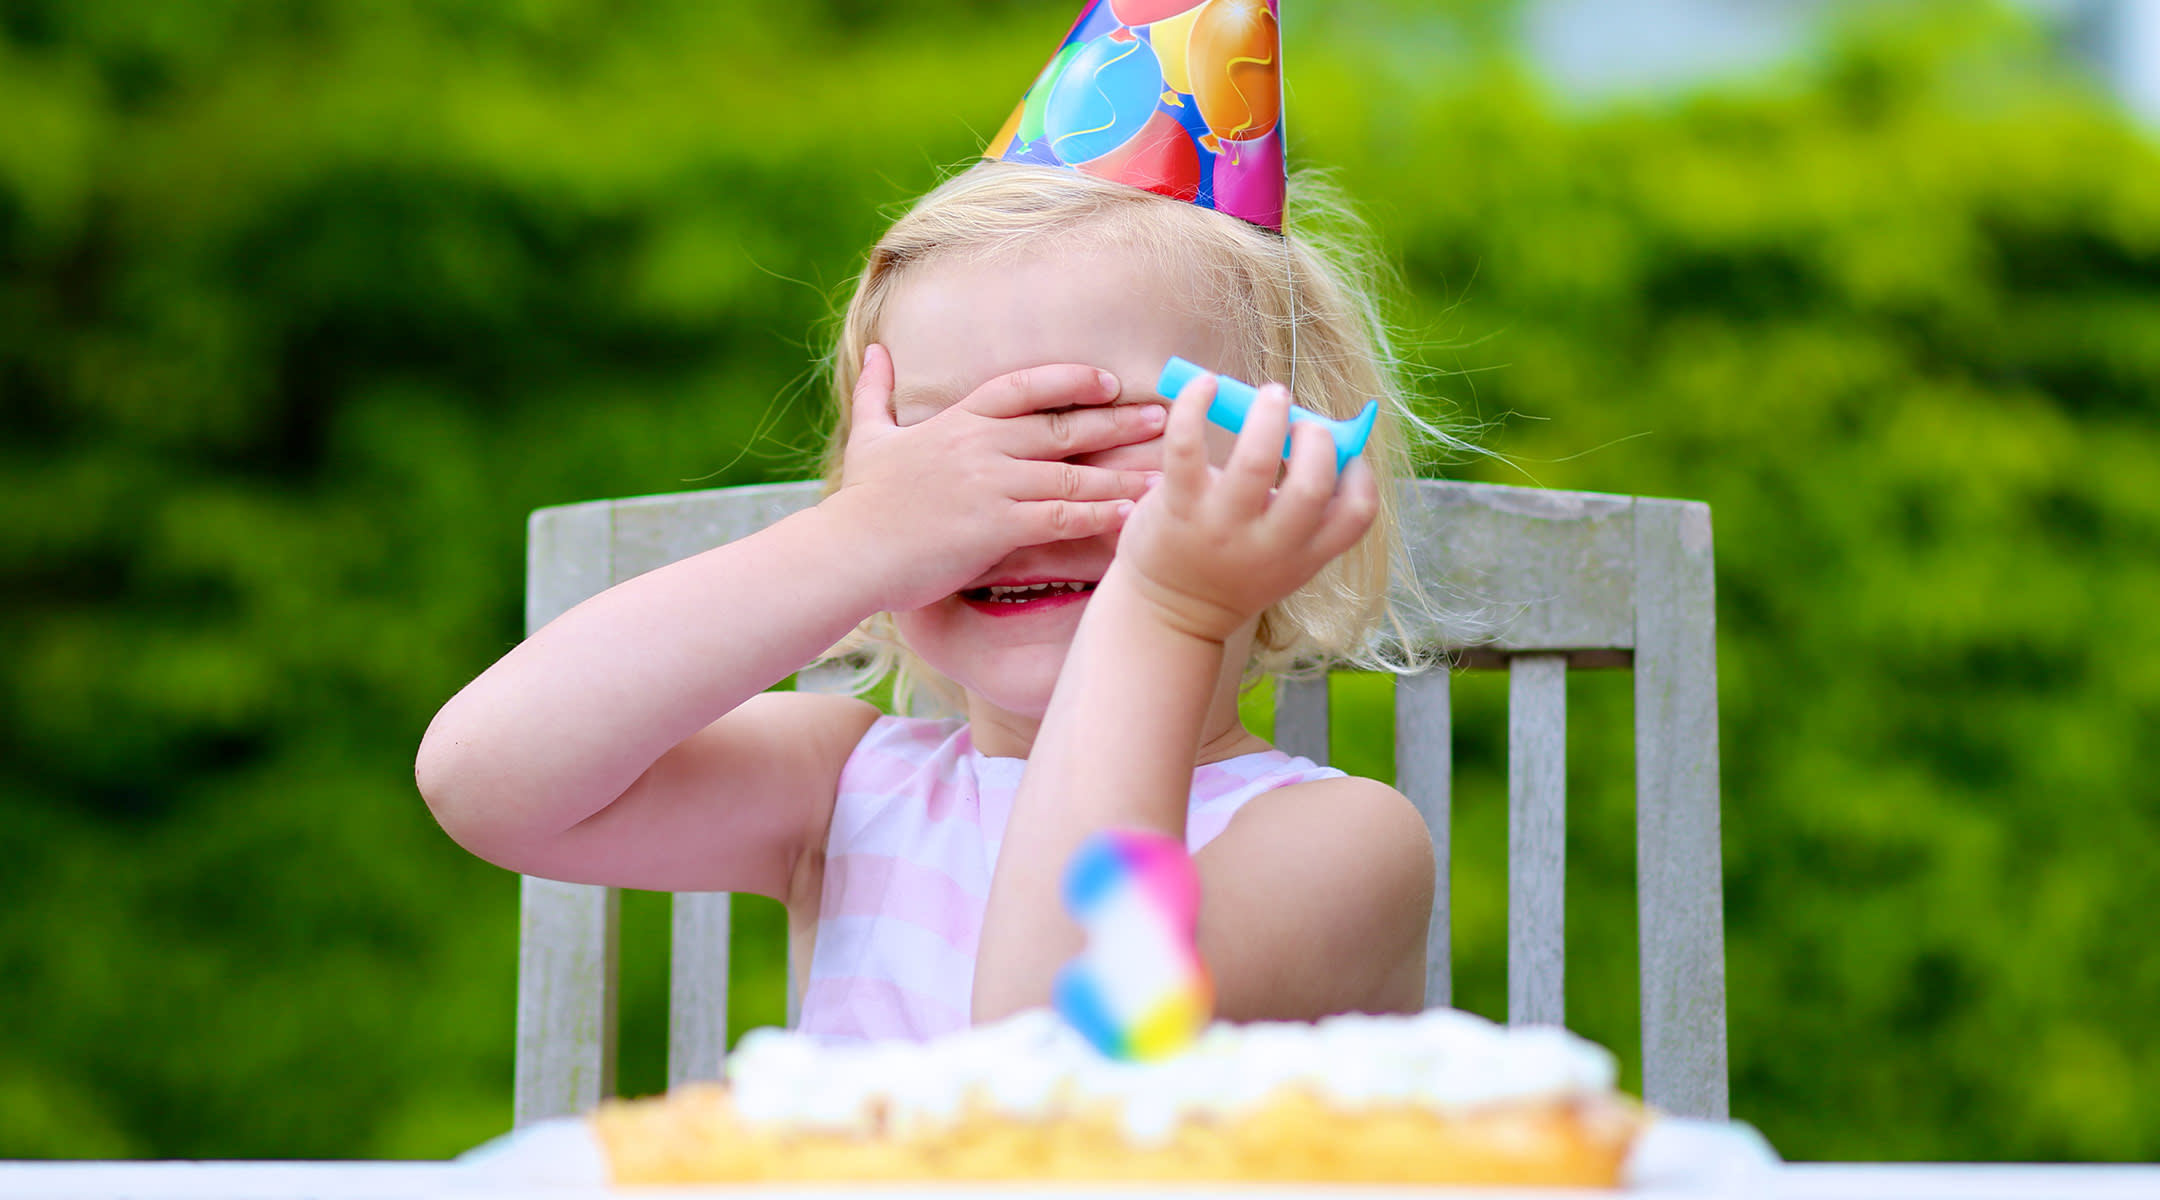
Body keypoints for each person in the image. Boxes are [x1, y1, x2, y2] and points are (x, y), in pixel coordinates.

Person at [417, 5, 1440, 1046]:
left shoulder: (1342, 842)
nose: (1008, 502)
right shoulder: (852, 787)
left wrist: (1165, 611)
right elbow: (485, 782)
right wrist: (862, 539)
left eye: (1094, 428)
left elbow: (1053, 1054)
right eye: (943, 450)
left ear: (1284, 463)